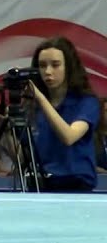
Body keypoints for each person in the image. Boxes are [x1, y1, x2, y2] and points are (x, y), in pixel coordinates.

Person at [27, 36, 100, 191]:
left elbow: (69, 137)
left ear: (69, 67)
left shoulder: (87, 102)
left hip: (76, 184)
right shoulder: (33, 106)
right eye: (42, 65)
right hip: (41, 185)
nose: (47, 72)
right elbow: (24, 157)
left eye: (55, 65)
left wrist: (40, 98)